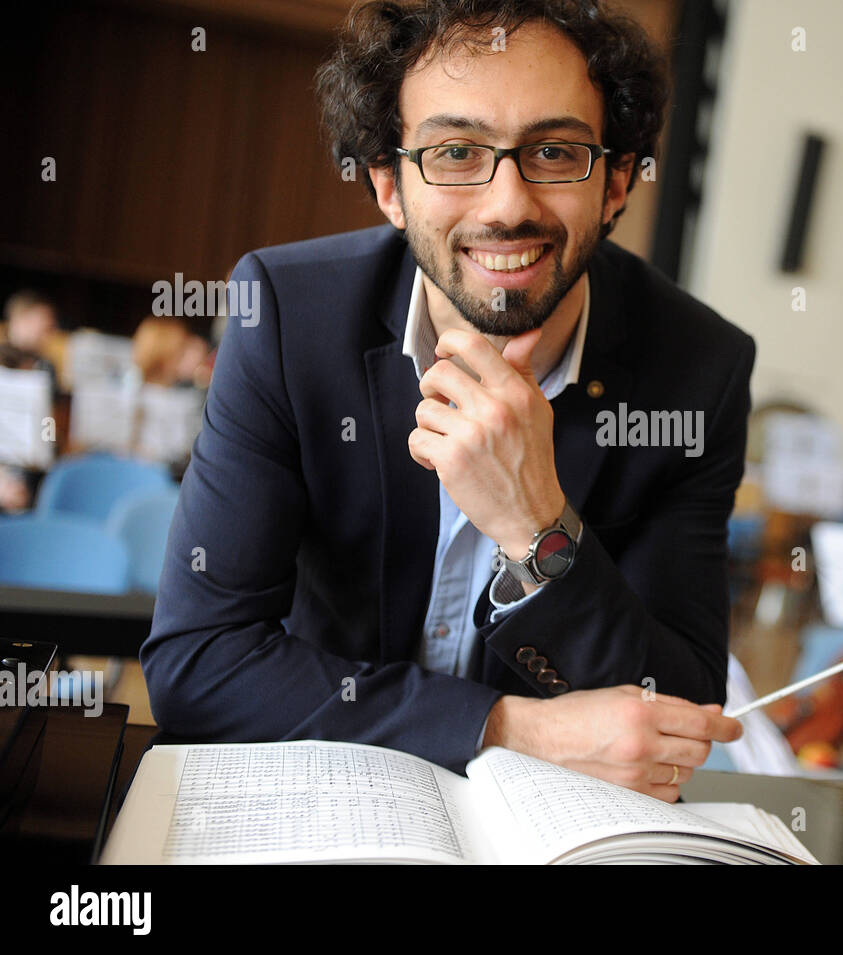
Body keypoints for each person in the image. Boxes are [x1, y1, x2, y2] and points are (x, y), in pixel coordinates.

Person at [142, 0, 751, 803]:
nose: (506, 205)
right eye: (456, 151)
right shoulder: (288, 317)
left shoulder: (697, 367)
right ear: (390, 186)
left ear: (617, 184)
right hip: (318, 794)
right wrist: (500, 726)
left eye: (556, 151)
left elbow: (677, 708)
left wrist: (539, 530)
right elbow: (198, 664)